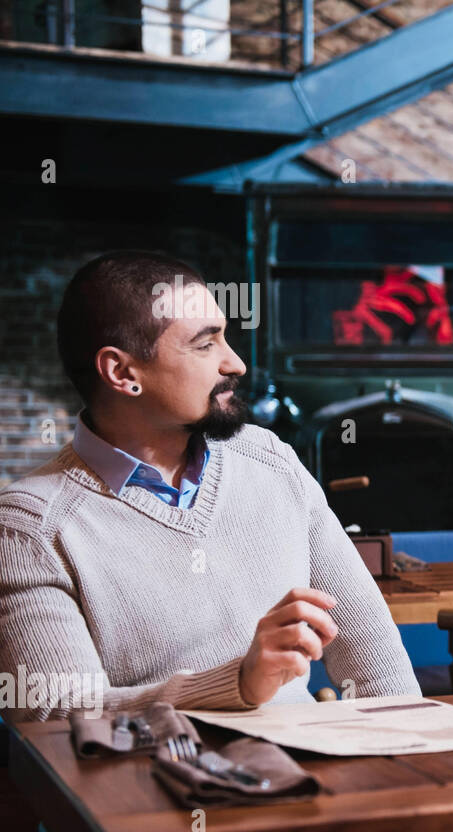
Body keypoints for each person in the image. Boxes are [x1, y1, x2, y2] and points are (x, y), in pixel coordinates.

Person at [0, 251, 420, 725]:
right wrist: (237, 684)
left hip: (307, 765)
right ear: (122, 373)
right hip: (153, 770)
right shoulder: (28, 526)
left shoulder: (270, 459)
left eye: (226, 337)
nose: (235, 363)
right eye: (204, 345)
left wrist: (410, 751)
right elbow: (55, 711)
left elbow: (376, 663)